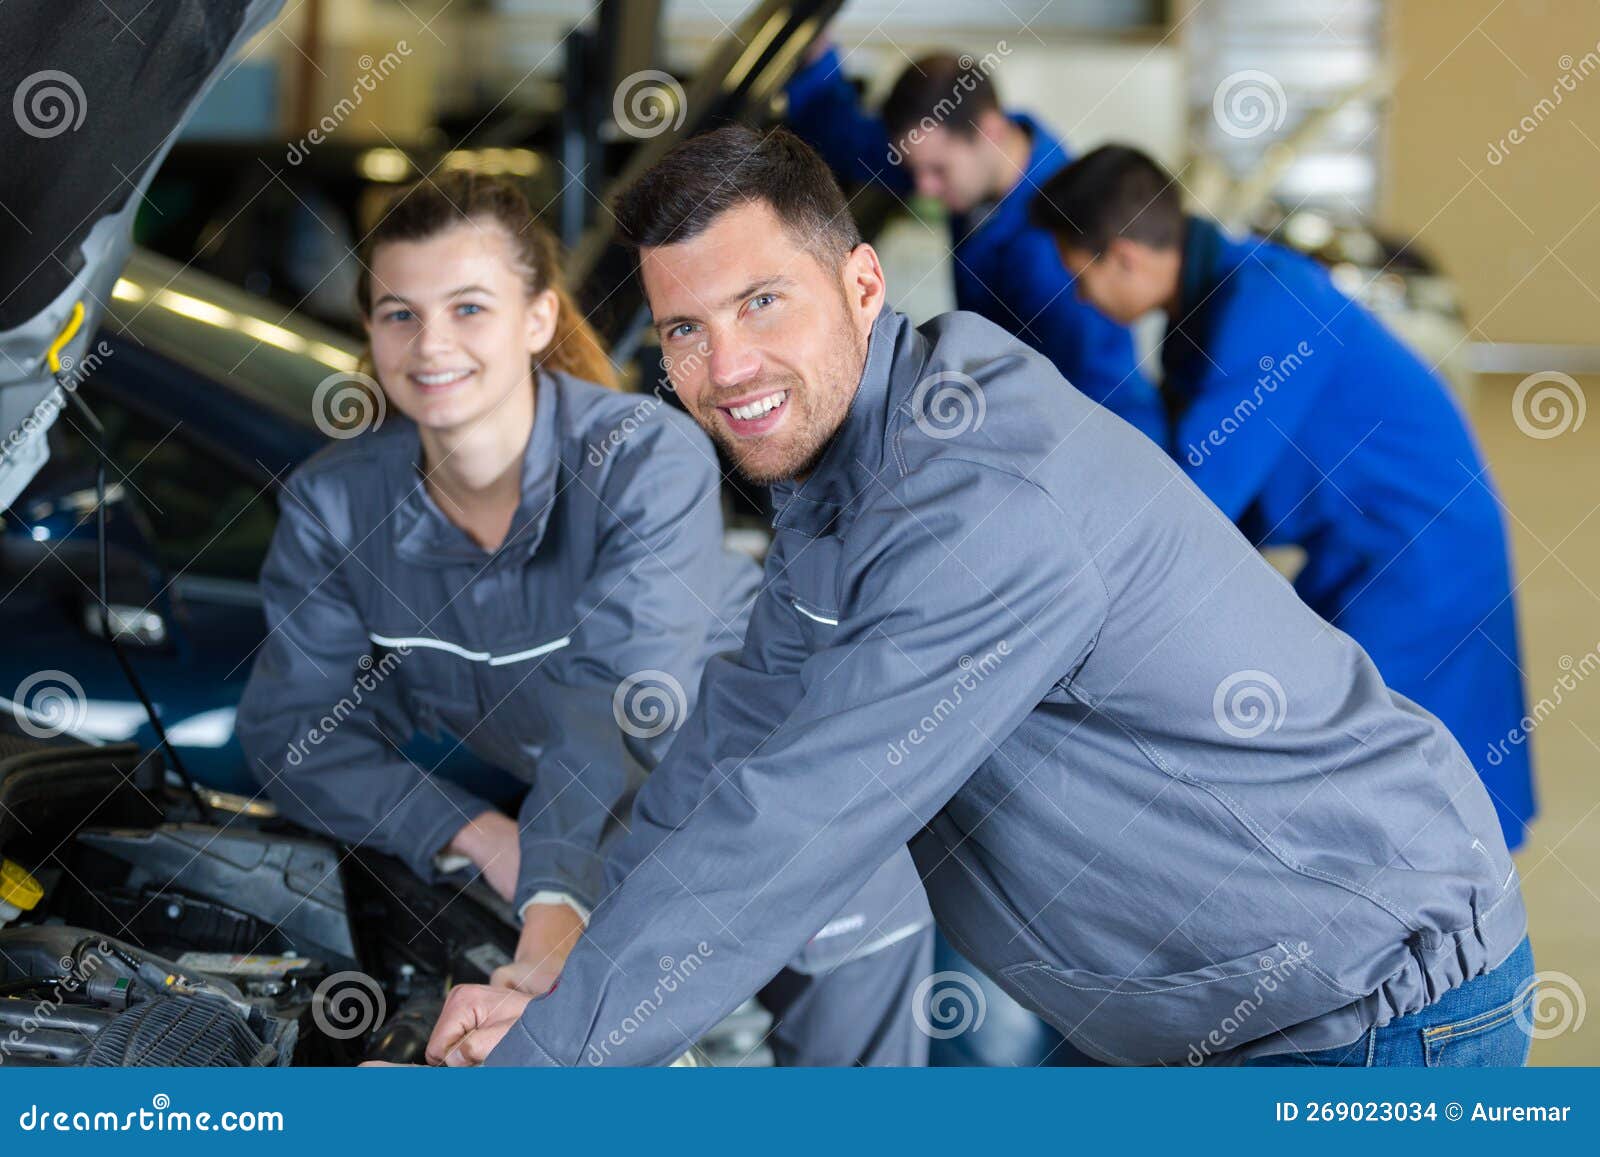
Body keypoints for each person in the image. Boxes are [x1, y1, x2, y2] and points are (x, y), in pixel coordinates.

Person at [424, 128, 1533, 1069]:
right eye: (685, 330)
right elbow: (732, 752)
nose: (727, 367)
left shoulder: (978, 499)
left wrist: (535, 1072)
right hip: (1209, 1004)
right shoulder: (842, 474)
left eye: (762, 303)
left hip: (1368, 1011)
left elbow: (796, 823)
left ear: (864, 285)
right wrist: (566, 971)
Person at [235, 172, 933, 1066]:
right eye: (400, 313)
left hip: (798, 855)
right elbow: (293, 731)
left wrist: (552, 895)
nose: (431, 343)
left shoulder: (641, 457)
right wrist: (476, 833)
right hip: (598, 868)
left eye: (469, 308)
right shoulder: (336, 507)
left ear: (537, 319)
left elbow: (614, 699)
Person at [1030, 144, 1535, 851]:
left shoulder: (1266, 306)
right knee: (1359, 764)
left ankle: (1458, 913)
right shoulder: (1209, 306)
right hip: (1360, 544)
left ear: (1125, 258)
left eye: (1078, 278)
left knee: (1390, 778)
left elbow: (1195, 499)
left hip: (1423, 553)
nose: (1080, 300)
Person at [783, 35, 1164, 439]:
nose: (923, 188)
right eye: (914, 171)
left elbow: (1092, 402)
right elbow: (848, 141)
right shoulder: (962, 154)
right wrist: (817, 55)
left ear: (990, 132)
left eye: (938, 170)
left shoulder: (1057, 254)